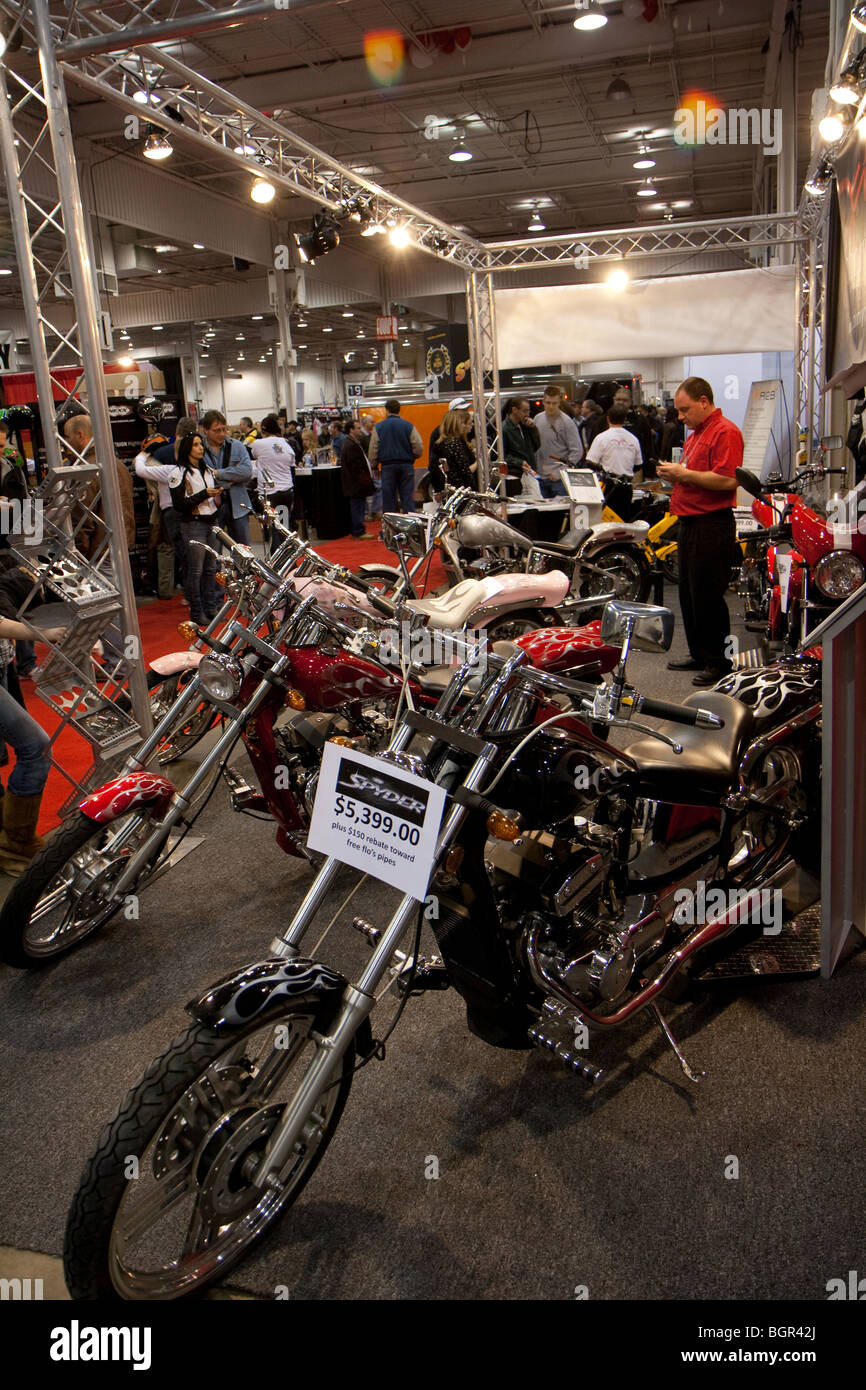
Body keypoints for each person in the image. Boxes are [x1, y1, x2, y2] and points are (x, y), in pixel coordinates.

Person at [657, 377, 742, 687]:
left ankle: (719, 661)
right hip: (691, 522)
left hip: (712, 524)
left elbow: (728, 481)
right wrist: (675, 477)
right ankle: (700, 652)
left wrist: (683, 474)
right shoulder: (696, 435)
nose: (680, 416)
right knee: (689, 594)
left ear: (704, 402)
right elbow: (696, 477)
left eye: (685, 409)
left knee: (707, 595)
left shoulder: (726, 432)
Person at [0, 556, 66, 874]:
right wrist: (43, 634)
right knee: (35, 746)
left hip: (2, 664)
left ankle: (10, 841)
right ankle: (15, 843)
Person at [133, 415, 198, 599]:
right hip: (190, 509)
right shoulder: (198, 455)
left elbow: (141, 469)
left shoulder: (164, 459)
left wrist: (144, 454)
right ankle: (188, 593)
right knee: (190, 554)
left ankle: (171, 591)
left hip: (168, 509)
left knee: (170, 551)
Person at [62, 414, 136, 560]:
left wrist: (77, 559)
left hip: (100, 554)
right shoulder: (117, 464)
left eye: (67, 437)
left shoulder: (85, 470)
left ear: (80, 435)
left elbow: (82, 523)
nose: (65, 443)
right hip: (121, 549)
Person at [168, 432, 223, 626]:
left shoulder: (207, 469)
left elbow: (212, 498)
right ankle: (197, 611)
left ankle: (210, 608)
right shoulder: (177, 473)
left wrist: (217, 495)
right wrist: (203, 494)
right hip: (193, 524)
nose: (200, 448)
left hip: (211, 521)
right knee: (197, 570)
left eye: (201, 445)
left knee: (210, 568)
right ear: (187, 448)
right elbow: (179, 504)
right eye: (196, 445)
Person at [199, 409, 253, 546]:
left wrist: (218, 474)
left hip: (238, 506)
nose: (222, 434)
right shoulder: (199, 449)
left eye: (224, 429)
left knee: (244, 551)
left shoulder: (237, 446)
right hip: (211, 507)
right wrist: (233, 476)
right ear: (205, 430)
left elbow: (246, 472)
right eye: (217, 430)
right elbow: (202, 478)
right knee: (213, 555)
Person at [586, 403, 642, 518]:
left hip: (608, 485)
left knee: (607, 520)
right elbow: (638, 465)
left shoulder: (601, 438)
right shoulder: (633, 439)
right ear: (625, 419)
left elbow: (590, 462)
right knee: (623, 520)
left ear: (608, 418)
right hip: (626, 486)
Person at [368, 398, 423, 515]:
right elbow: (418, 446)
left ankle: (390, 528)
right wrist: (413, 455)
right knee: (407, 498)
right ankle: (409, 527)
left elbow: (373, 449)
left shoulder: (379, 427)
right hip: (406, 465)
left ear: (386, 410)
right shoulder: (409, 426)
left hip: (387, 467)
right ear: (399, 410)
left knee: (388, 499)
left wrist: (374, 466)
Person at [251, 414, 295, 554]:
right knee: (284, 527)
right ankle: (289, 561)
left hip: (269, 493)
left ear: (263, 430)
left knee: (273, 529)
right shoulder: (286, 444)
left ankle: (278, 563)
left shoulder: (258, 444)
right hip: (287, 490)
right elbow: (292, 464)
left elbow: (254, 456)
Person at [532, 384, 584, 497]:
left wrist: (561, 472)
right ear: (543, 402)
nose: (551, 406)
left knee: (560, 513)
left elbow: (577, 451)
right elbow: (535, 447)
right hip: (540, 477)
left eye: (554, 403)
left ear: (559, 402)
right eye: (548, 403)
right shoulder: (537, 419)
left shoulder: (567, 422)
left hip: (559, 480)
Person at [340, 418, 376, 539]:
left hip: (356, 483)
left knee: (358, 506)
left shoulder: (352, 442)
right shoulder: (350, 444)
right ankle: (359, 531)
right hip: (356, 483)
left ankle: (358, 529)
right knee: (357, 507)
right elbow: (355, 467)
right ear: (351, 430)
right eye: (358, 428)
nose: (361, 430)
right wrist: (363, 480)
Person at [502, 397, 540, 495]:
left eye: (528, 411)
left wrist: (533, 429)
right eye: (525, 411)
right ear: (514, 410)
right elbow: (500, 455)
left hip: (529, 474)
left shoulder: (525, 427)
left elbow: (536, 446)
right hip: (514, 476)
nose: (527, 414)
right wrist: (519, 462)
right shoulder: (504, 429)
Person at [431, 409, 476, 492]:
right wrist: (479, 462)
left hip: (450, 488)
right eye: (462, 423)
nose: (464, 426)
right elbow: (464, 471)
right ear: (455, 425)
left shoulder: (441, 442)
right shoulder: (455, 443)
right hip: (460, 489)